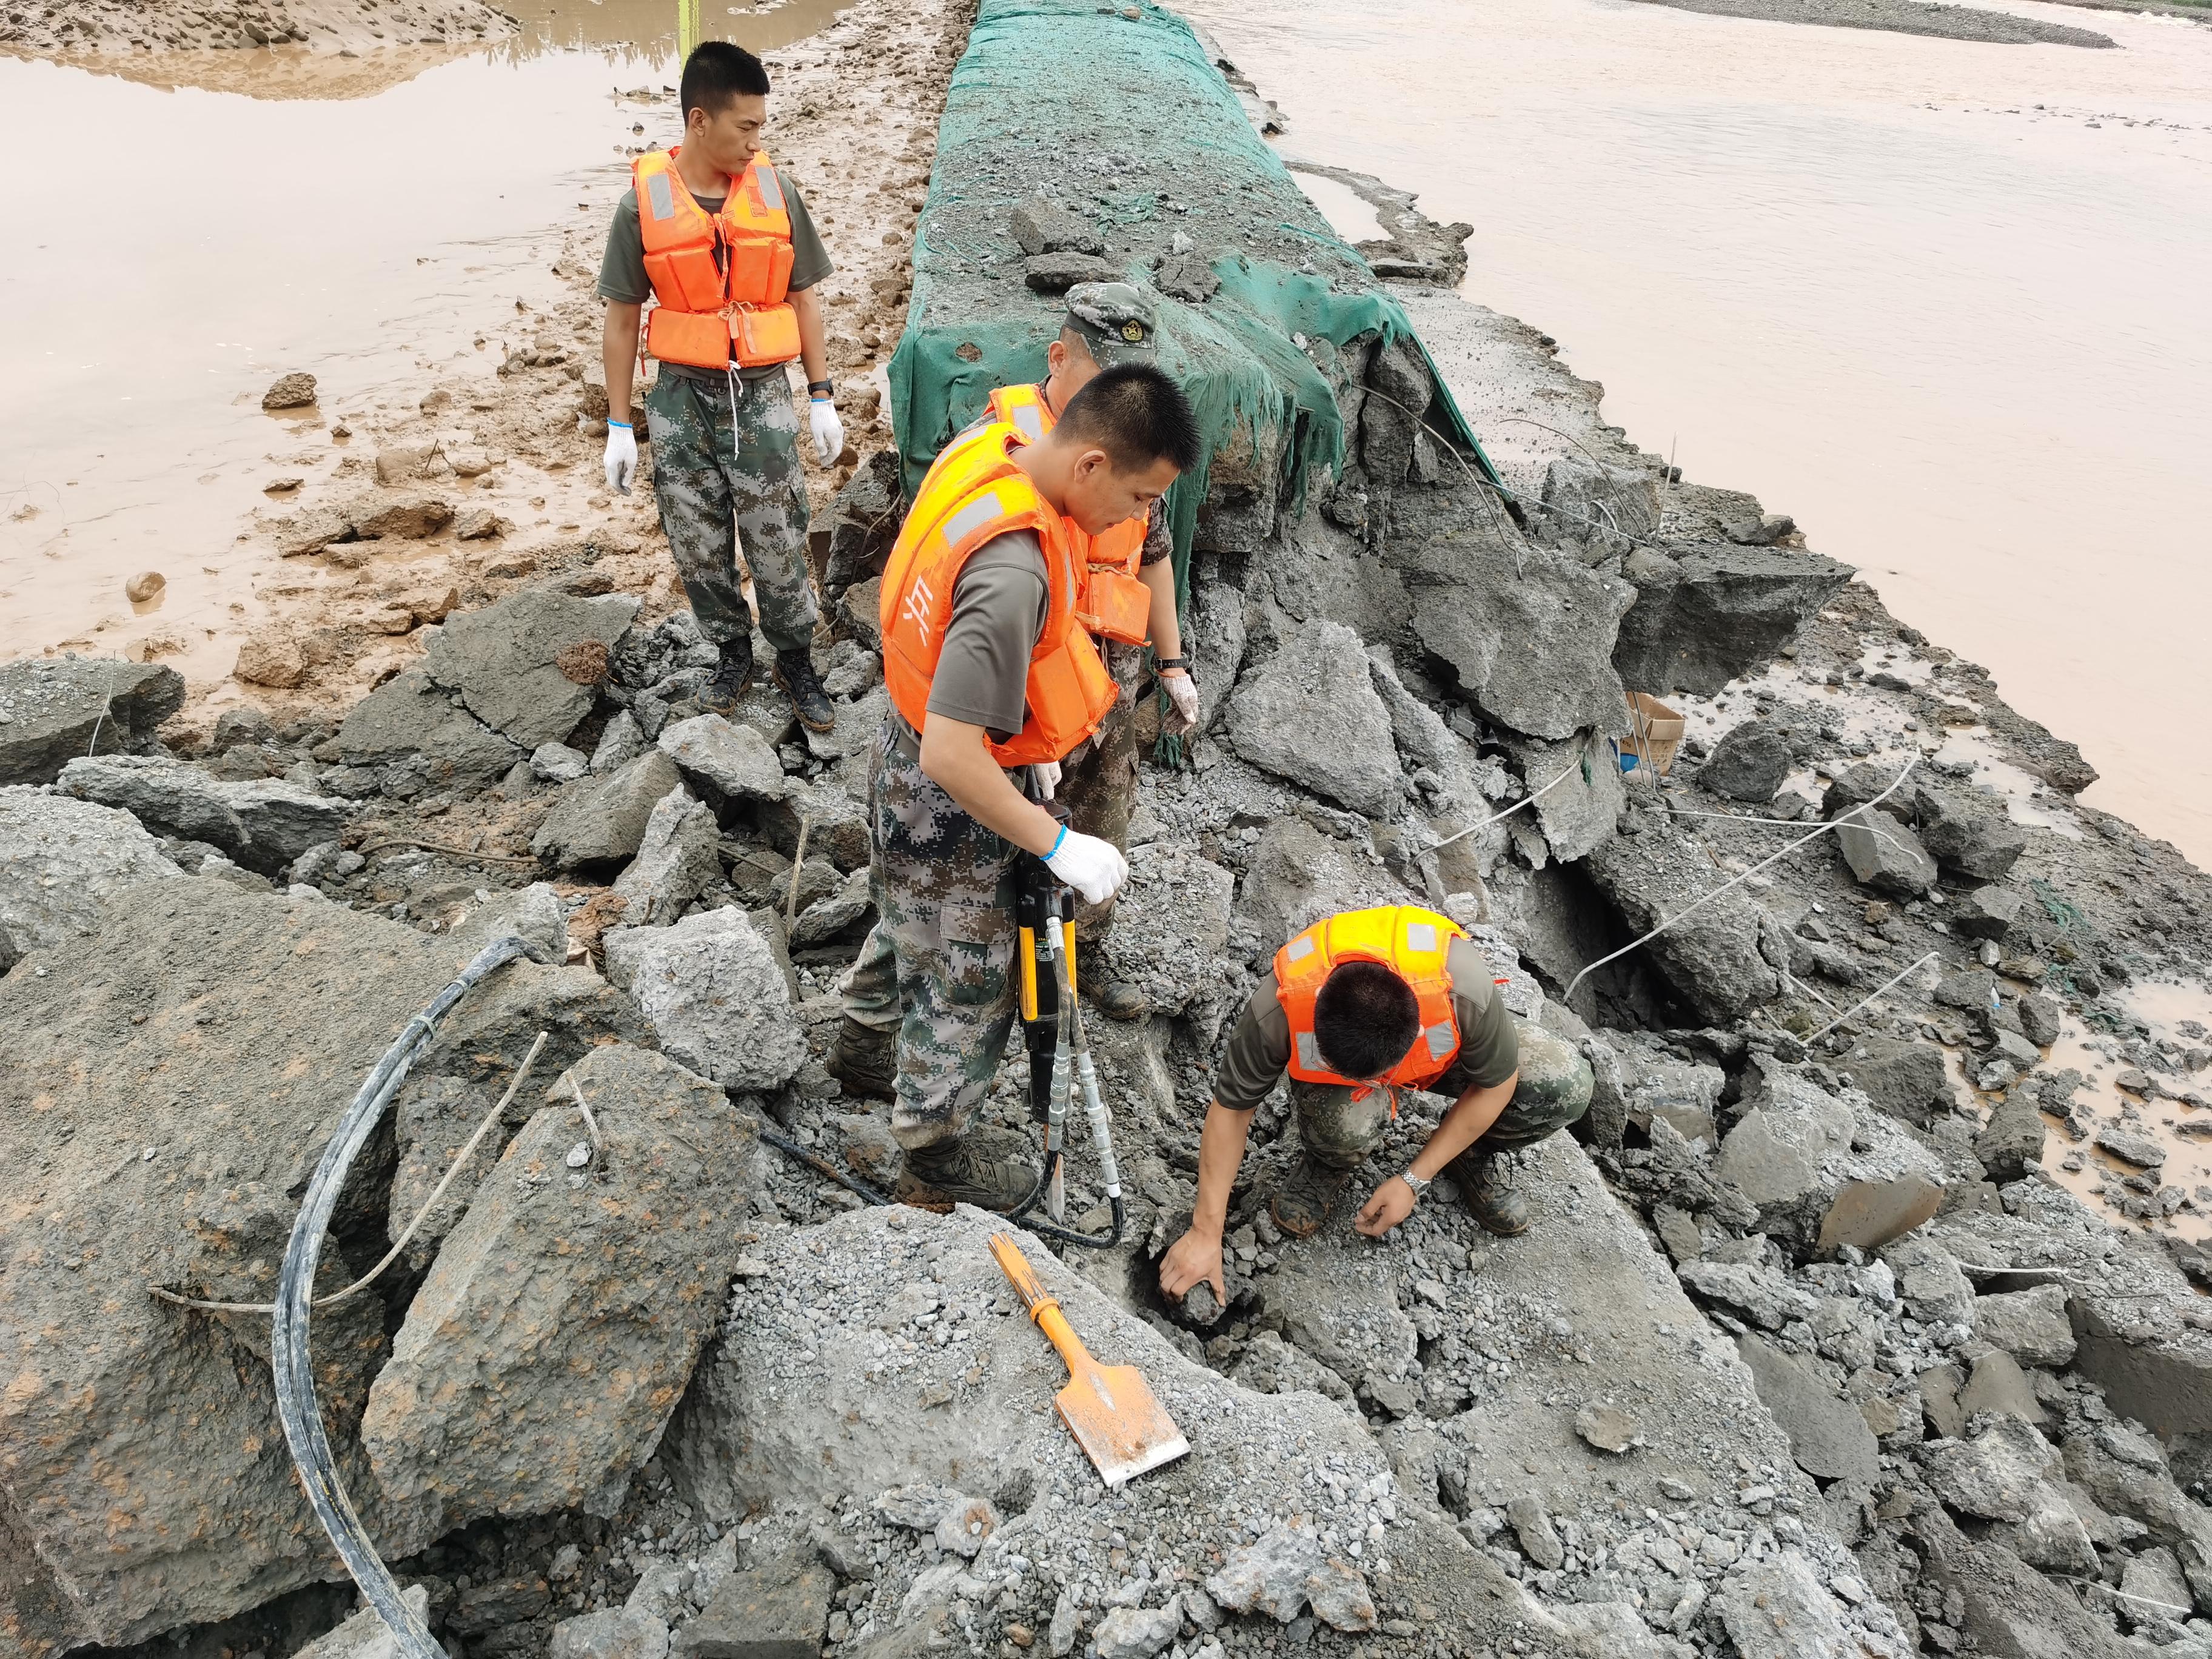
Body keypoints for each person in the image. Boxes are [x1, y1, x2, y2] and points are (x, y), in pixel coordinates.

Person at [828, 284, 1195, 1100]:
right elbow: (952, 755)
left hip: (953, 733)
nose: (1138, 519)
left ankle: (859, 1047)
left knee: (917, 921)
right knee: (965, 983)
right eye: (1138, 499)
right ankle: (931, 1155)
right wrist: (1054, 842)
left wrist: (1162, 670)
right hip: (951, 780)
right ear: (1093, 460)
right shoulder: (1014, 569)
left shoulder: (996, 457)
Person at [1158, 905, 1594, 1303]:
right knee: (1344, 1123)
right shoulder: (1280, 1006)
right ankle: (1328, 1162)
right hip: (1348, 1052)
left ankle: (1469, 1154)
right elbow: (1231, 1110)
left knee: (1564, 1084)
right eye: (1361, 1079)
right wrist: (1204, 1231)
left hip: (1434, 1054)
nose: (1380, 1089)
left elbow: (1498, 1085)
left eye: (1380, 1079)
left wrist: (1413, 1179)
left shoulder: (1461, 989)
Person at [596, 40, 842, 734]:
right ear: (700, 120)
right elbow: (622, 323)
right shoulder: (639, 208)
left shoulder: (775, 193)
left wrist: (821, 395)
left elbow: (805, 299)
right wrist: (620, 426)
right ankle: (731, 653)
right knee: (696, 539)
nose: (756, 141)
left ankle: (796, 659)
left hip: (761, 393)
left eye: (762, 126)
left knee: (777, 534)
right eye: (747, 127)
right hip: (679, 399)